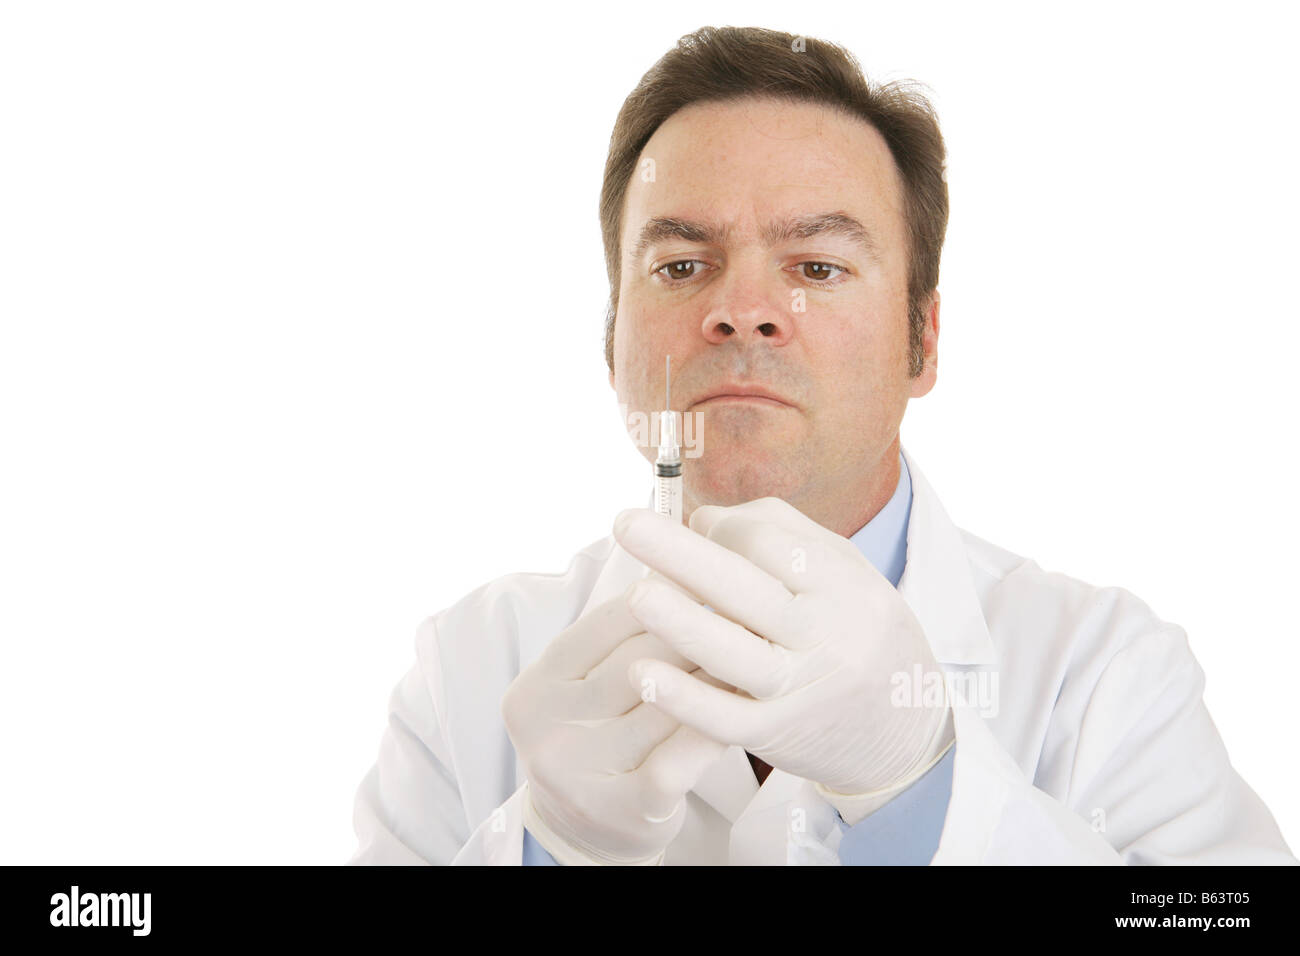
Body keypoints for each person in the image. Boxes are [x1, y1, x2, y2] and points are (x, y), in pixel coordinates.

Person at [347, 25, 1295, 866]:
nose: (742, 312)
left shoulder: (1104, 670)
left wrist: (920, 787)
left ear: (922, 342)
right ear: (611, 342)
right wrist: (550, 850)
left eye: (817, 266)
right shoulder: (470, 668)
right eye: (681, 265)